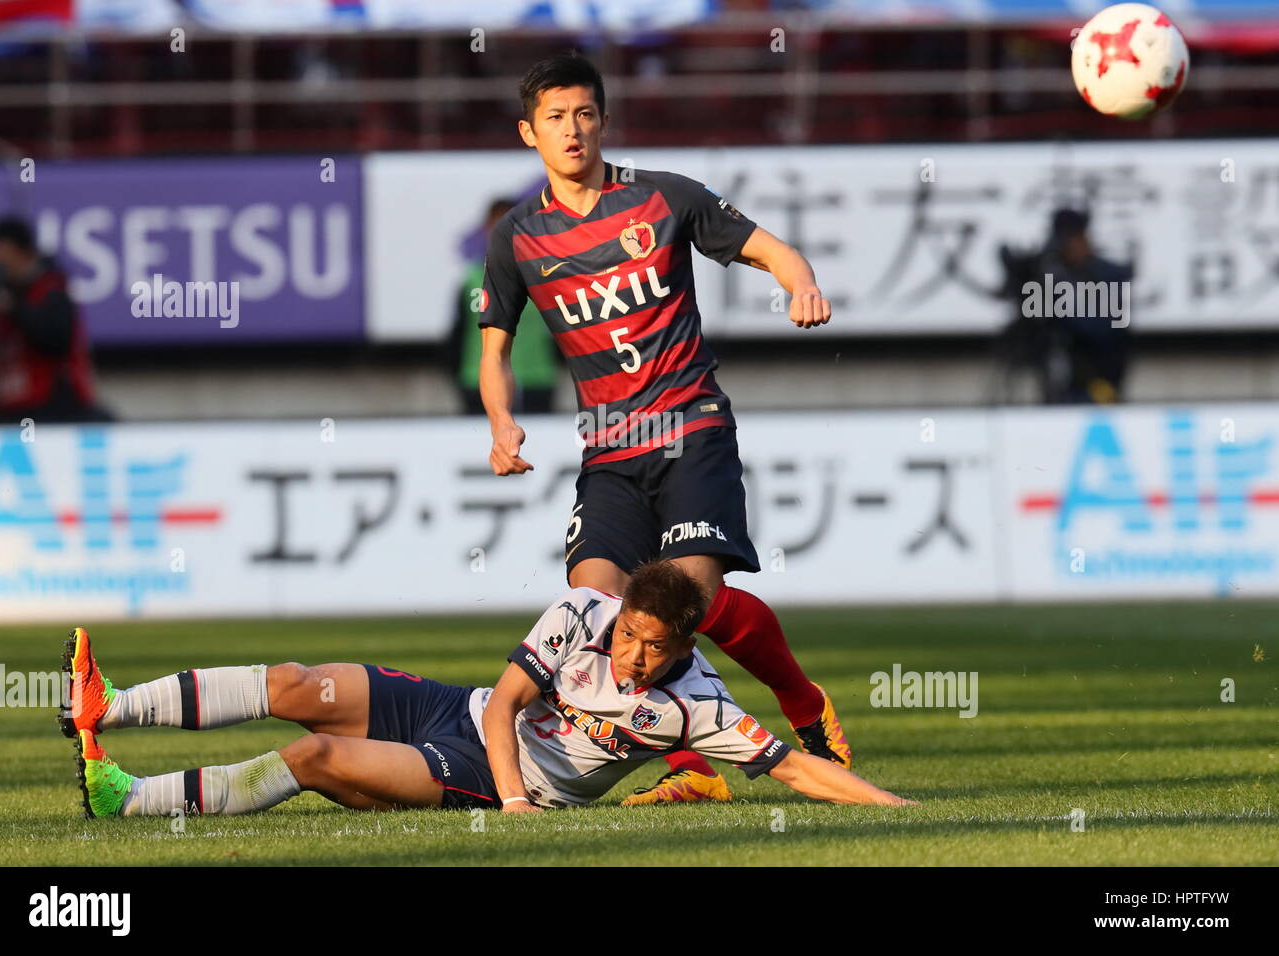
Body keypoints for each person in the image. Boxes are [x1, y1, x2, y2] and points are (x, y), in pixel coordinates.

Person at [476, 52, 844, 804]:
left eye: (584, 114)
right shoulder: (517, 237)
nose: (572, 130)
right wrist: (501, 421)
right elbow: (495, 351)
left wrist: (799, 281)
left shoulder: (664, 198)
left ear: (604, 121)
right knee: (605, 617)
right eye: (554, 118)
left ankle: (803, 703)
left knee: (685, 604)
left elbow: (771, 249)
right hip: (608, 452)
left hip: (691, 430)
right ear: (528, 133)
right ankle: (696, 772)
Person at [61, 561, 915, 817]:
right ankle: (113, 708)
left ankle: (127, 799)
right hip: (463, 713)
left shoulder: (697, 703)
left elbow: (795, 769)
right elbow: (505, 701)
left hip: (477, 773)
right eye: (627, 638)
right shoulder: (584, 607)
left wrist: (897, 810)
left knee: (313, 755)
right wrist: (512, 794)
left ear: (685, 646)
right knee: (296, 683)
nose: (632, 659)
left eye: (654, 650)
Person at [995, 207, 1133, 405]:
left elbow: (1107, 331)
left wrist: (1061, 306)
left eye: (1072, 239)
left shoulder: (1105, 275)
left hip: (1098, 385)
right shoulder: (1051, 275)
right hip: (1060, 384)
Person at [0, 216, 109, 423]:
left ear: (19, 251)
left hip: (55, 408)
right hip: (8, 410)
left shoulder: (50, 289)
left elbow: (55, 340)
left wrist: (14, 309)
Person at [450, 198, 558, 415]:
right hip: (480, 383)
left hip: (535, 379)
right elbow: (458, 334)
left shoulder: (545, 276)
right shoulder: (472, 278)